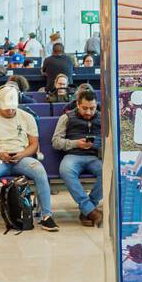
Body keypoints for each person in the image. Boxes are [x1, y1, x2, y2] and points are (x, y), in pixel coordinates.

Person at [0, 83, 58, 235]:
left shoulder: (27, 117)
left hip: (21, 157)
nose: (10, 111)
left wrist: (22, 154)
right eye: (6, 108)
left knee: (40, 171)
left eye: (12, 107)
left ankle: (47, 216)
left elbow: (34, 144)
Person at [53, 86, 102, 226]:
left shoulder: (103, 118)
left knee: (108, 171)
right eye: (85, 108)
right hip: (73, 155)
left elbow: (110, 141)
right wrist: (76, 143)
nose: (89, 112)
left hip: (95, 156)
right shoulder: (66, 118)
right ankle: (91, 210)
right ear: (77, 105)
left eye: (92, 108)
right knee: (65, 170)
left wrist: (96, 144)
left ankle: (88, 210)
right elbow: (56, 142)